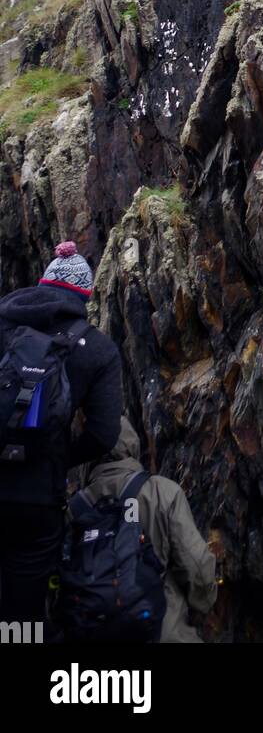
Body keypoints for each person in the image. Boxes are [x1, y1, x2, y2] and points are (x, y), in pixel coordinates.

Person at [0, 241, 122, 625]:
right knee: (23, 615)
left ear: (42, 283)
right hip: (37, 501)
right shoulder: (97, 348)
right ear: (84, 297)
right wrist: (54, 455)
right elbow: (104, 433)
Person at [78, 416, 218, 643]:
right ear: (132, 445)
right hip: (162, 633)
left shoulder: (74, 508)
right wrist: (204, 602)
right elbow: (197, 565)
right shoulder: (162, 492)